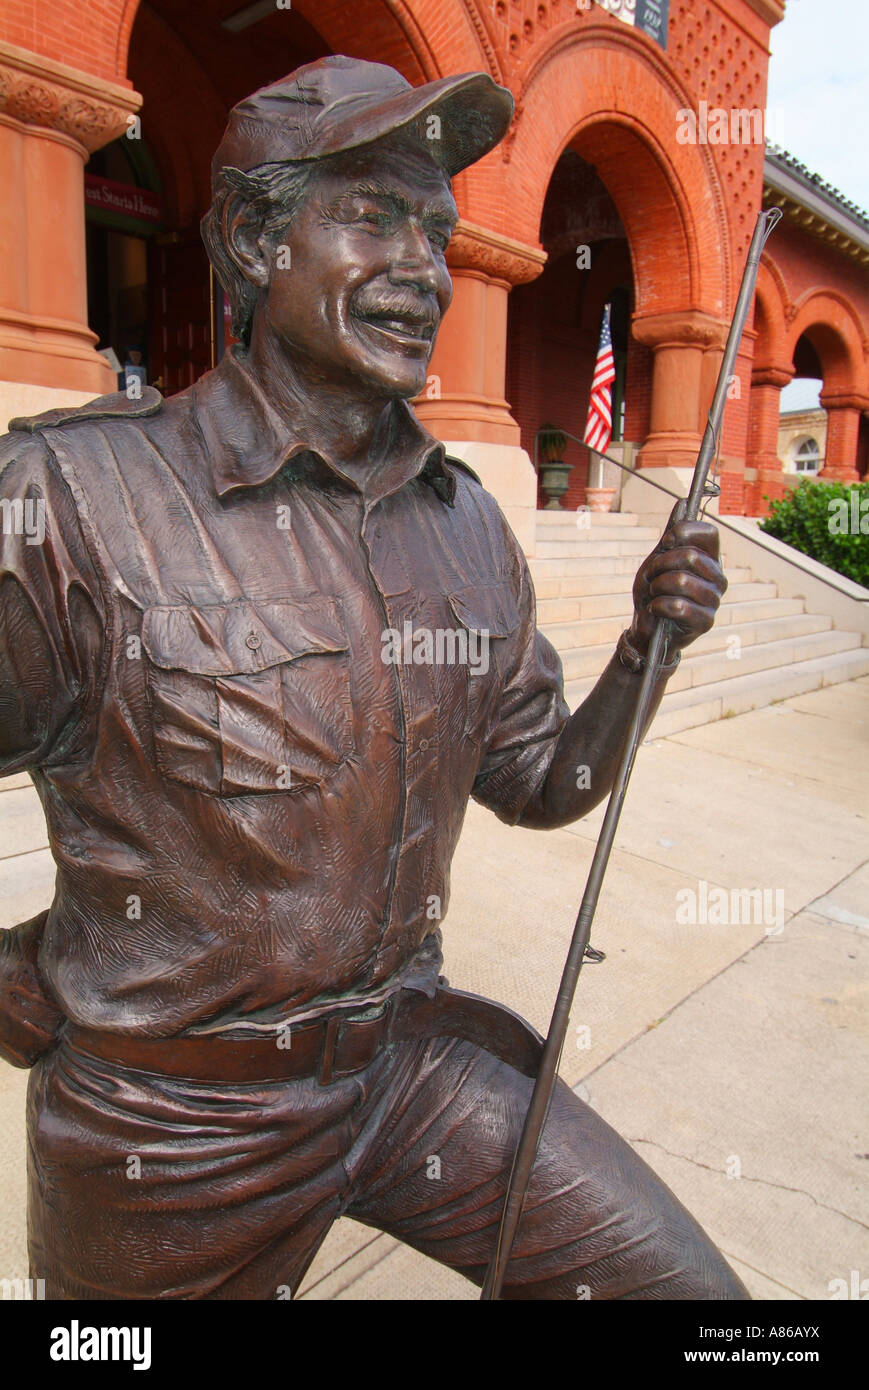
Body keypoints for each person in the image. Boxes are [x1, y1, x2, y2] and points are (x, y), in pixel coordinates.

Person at [0, 56, 746, 1300]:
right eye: (370, 216)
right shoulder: (70, 498)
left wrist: (641, 653)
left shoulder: (464, 526)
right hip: (172, 1127)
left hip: (412, 1066)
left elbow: (543, 780)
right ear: (251, 238)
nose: (422, 267)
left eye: (437, 231)